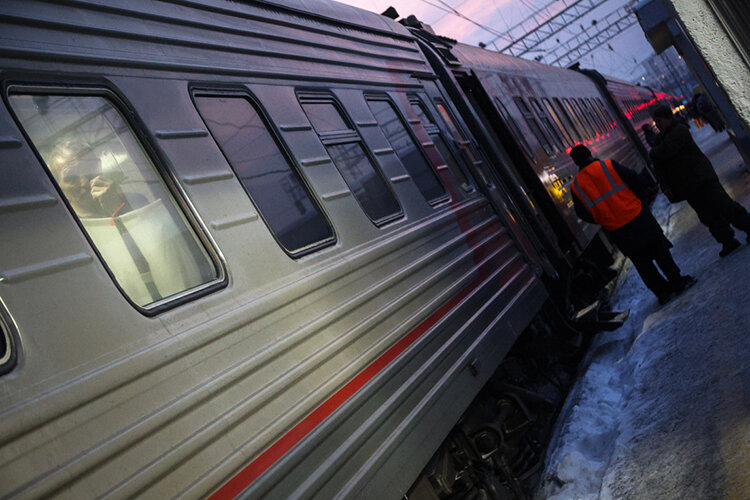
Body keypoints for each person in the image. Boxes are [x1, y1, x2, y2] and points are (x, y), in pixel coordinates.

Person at [570, 145, 695, 305]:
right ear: (590, 153)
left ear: (575, 162)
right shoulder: (607, 165)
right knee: (660, 252)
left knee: (642, 263)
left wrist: (603, 218)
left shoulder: (577, 186)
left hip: (617, 229)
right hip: (637, 216)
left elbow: (581, 212)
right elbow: (635, 179)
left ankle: (662, 292)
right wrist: (639, 201)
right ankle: (677, 281)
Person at [649, 105, 750, 257]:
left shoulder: (679, 130)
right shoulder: (663, 137)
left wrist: (653, 151)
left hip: (702, 178)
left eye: (659, 121)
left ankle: (747, 227)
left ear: (668, 118)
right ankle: (727, 241)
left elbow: (667, 151)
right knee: (708, 216)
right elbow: (660, 164)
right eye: (656, 123)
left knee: (725, 205)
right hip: (689, 185)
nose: (657, 125)